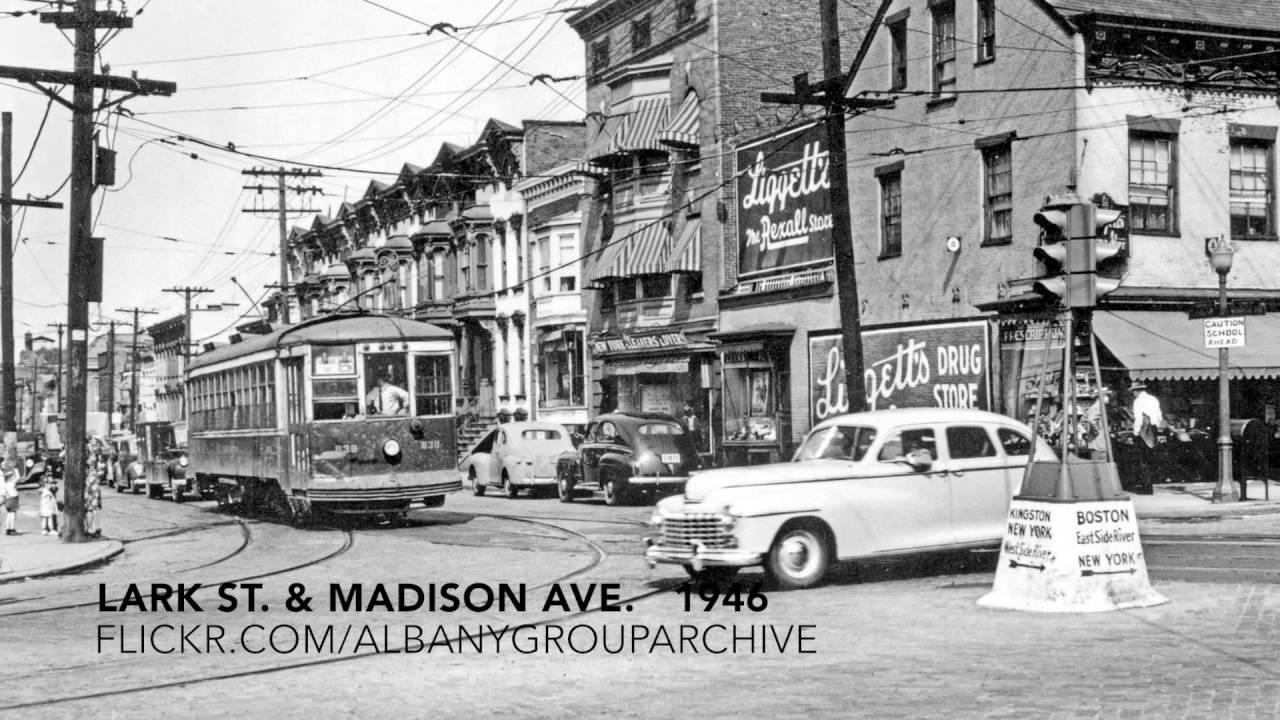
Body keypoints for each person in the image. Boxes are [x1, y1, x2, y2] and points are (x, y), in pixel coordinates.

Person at [1130, 380, 1164, 494]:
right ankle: (1149, 485)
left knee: (1142, 460)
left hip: (1143, 431)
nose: (1133, 393)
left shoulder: (1138, 401)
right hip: (1153, 430)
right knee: (1150, 459)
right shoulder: (1153, 399)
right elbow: (1159, 416)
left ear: (1136, 391)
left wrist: (1135, 432)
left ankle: (1146, 487)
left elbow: (1139, 419)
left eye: (1133, 391)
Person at [2, 458, 19, 535]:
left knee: (8, 514)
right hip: (13, 499)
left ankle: (7, 529)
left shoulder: (5, 484)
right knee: (12, 514)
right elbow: (18, 477)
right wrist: (15, 469)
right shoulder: (12, 483)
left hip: (7, 499)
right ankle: (12, 529)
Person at [85, 473, 102, 538]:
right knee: (93, 511)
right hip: (93, 495)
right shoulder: (93, 476)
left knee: (90, 511)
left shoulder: (90, 476)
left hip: (91, 496)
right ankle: (95, 528)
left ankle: (91, 529)